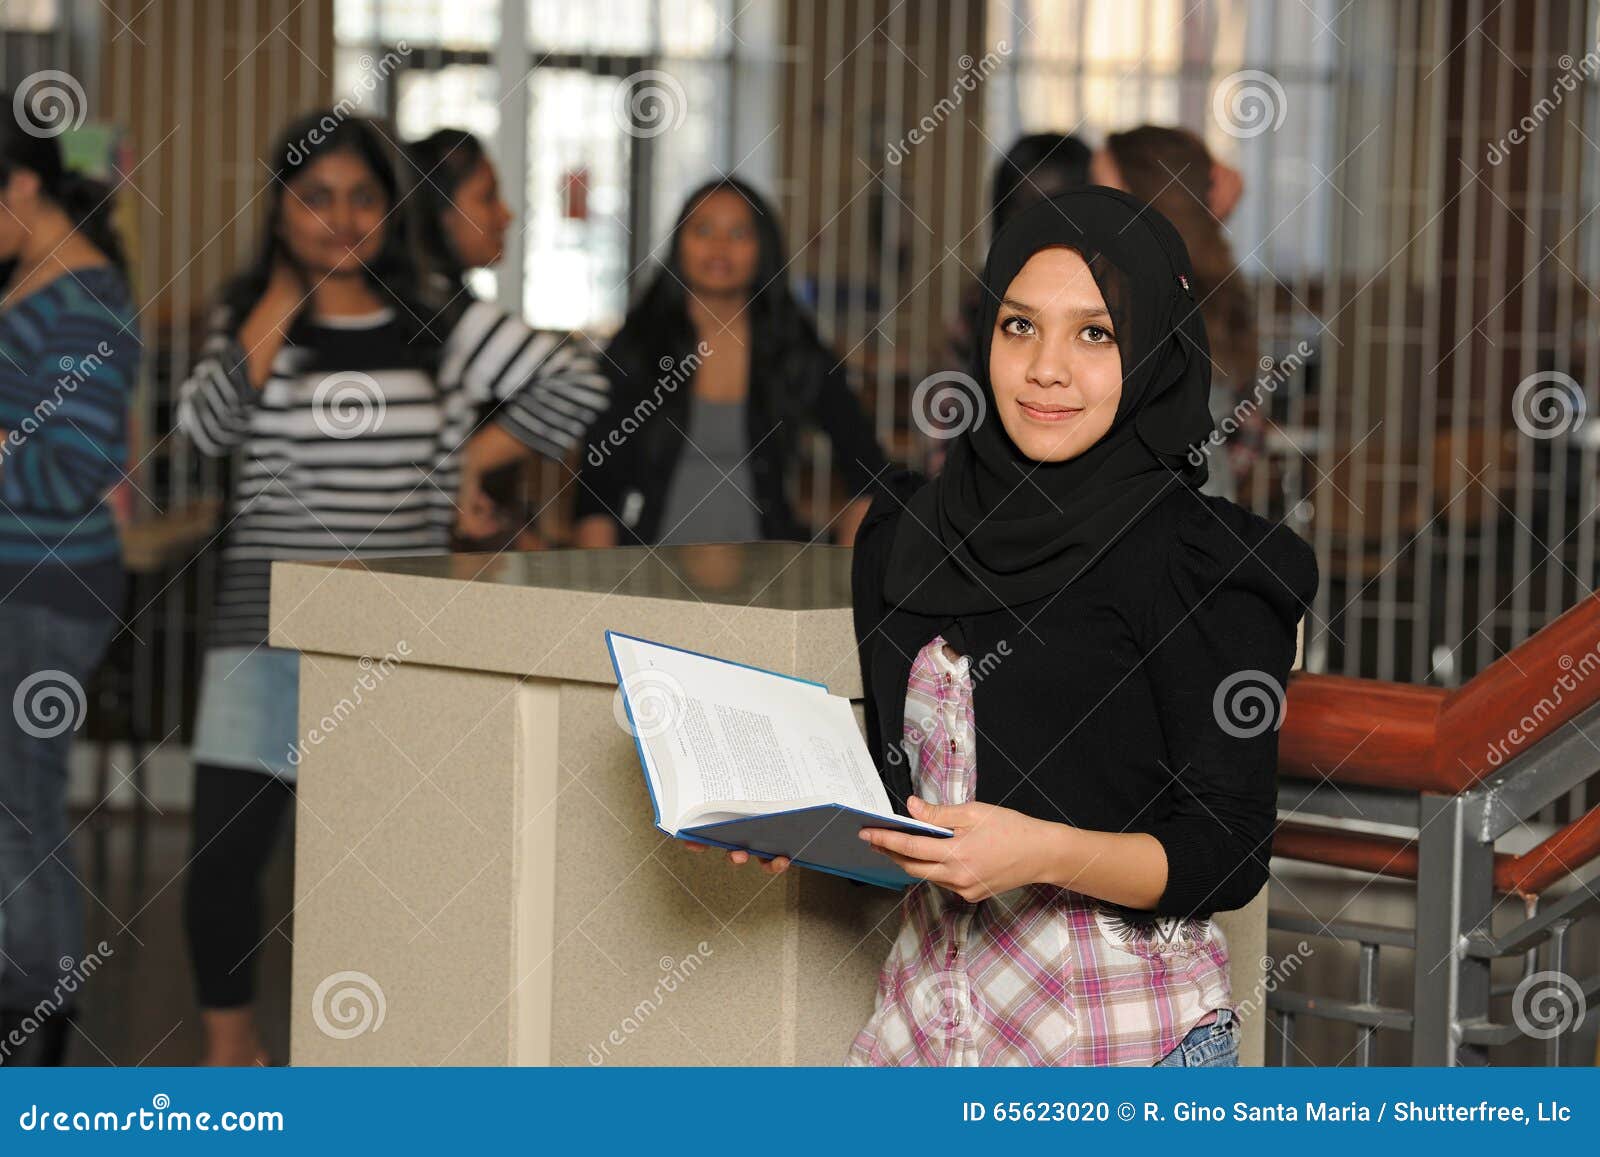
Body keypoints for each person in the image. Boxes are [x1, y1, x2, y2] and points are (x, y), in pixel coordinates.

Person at [691, 188, 1317, 1067]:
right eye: (1019, 326)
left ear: (1156, 349)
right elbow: (911, 787)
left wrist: (1045, 852)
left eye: (1095, 334)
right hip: (924, 1030)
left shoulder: (1202, 560)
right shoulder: (906, 533)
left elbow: (1228, 850)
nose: (1045, 368)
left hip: (1122, 1042)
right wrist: (803, 823)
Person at [175, 112, 605, 1066]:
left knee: (388, 877)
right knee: (225, 864)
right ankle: (232, 1058)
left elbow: (579, 382)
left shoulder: (438, 322)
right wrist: (279, 298)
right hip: (259, 637)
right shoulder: (250, 318)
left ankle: (382, 1065)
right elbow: (203, 430)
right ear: (279, 210)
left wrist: (468, 459)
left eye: (362, 197)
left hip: (395, 644)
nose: (340, 217)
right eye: (315, 198)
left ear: (391, 209)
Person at [0, 91, 140, 1065]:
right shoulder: (33, 281)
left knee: (21, 805)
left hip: (46, 591)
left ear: (20, 186)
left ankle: (35, 1019)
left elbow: (72, 465)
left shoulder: (86, 298)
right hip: (24, 584)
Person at [572, 177, 887, 548]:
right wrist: (609, 581)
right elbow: (597, 492)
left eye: (738, 233)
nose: (719, 247)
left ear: (762, 248)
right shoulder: (638, 345)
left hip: (771, 574)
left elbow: (869, 470)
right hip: (647, 571)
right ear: (678, 244)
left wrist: (848, 567)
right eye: (703, 230)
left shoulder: (791, 343)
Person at [405, 128, 608, 548]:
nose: (506, 214)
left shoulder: (418, 305)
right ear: (440, 214)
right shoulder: (447, 316)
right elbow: (582, 382)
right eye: (487, 197)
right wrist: (466, 463)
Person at [1092, 125, 1261, 500]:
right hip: (1207, 507)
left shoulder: (1132, 297)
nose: (1089, 207)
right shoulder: (1218, 290)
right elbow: (1247, 432)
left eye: (1105, 191)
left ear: (1147, 203)